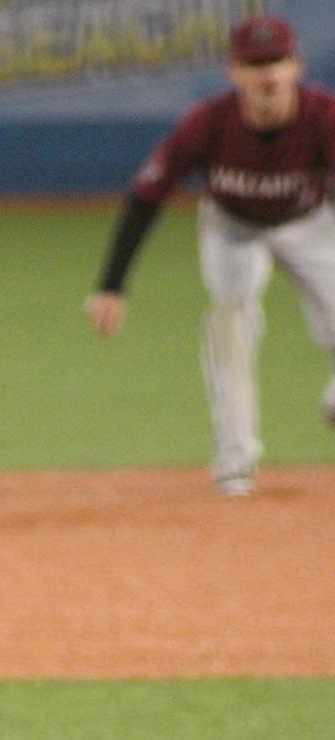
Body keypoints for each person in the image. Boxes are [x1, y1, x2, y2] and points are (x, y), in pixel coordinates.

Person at [85, 14, 335, 497]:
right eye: (254, 64)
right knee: (230, 323)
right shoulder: (206, 124)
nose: (267, 74)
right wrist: (112, 285)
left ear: (297, 65)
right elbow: (146, 197)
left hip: (308, 225)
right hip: (233, 228)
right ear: (233, 72)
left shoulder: (324, 118)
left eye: (277, 61)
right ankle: (235, 460)